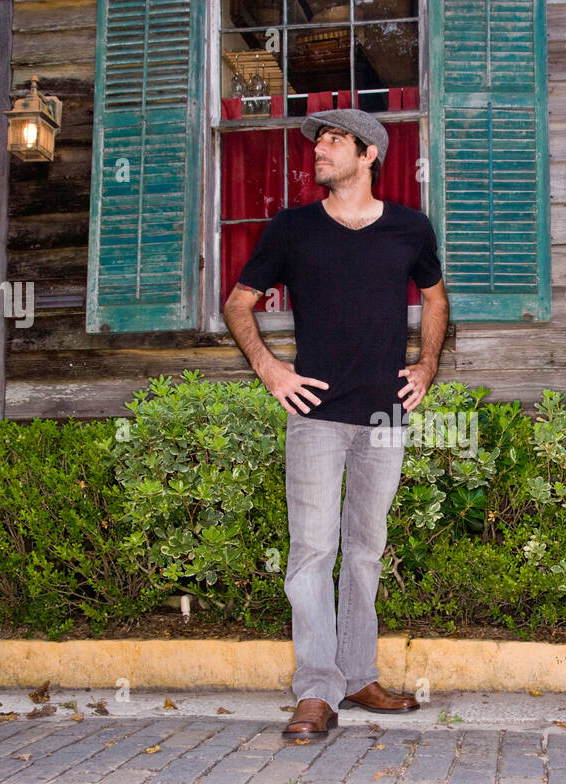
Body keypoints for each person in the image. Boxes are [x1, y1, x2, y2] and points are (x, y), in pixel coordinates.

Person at [222, 109, 449, 738]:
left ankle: (357, 675)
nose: (318, 149)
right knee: (313, 551)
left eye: (333, 140)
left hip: (384, 413)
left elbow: (434, 297)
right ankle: (317, 689)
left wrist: (426, 364)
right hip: (316, 415)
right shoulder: (293, 228)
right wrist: (271, 369)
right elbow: (239, 303)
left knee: (366, 549)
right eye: (318, 140)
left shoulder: (409, 227)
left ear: (368, 154)